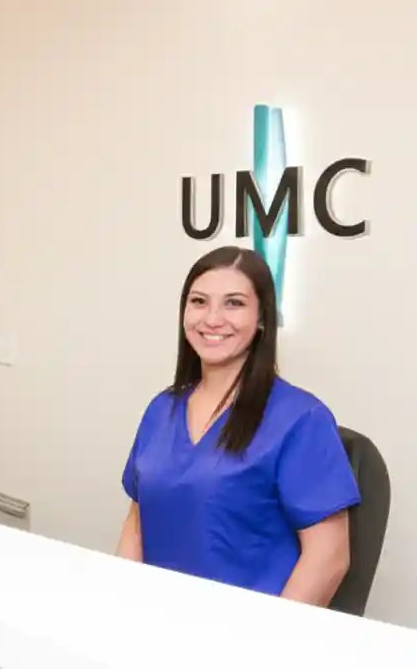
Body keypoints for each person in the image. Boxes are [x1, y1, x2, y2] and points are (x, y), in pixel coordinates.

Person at [116, 246, 360, 606]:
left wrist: (269, 636)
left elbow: (329, 559)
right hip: (157, 616)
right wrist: (121, 605)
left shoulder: (301, 419)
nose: (212, 319)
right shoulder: (161, 409)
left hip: (251, 628)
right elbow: (138, 521)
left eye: (234, 303)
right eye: (199, 302)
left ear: (262, 318)